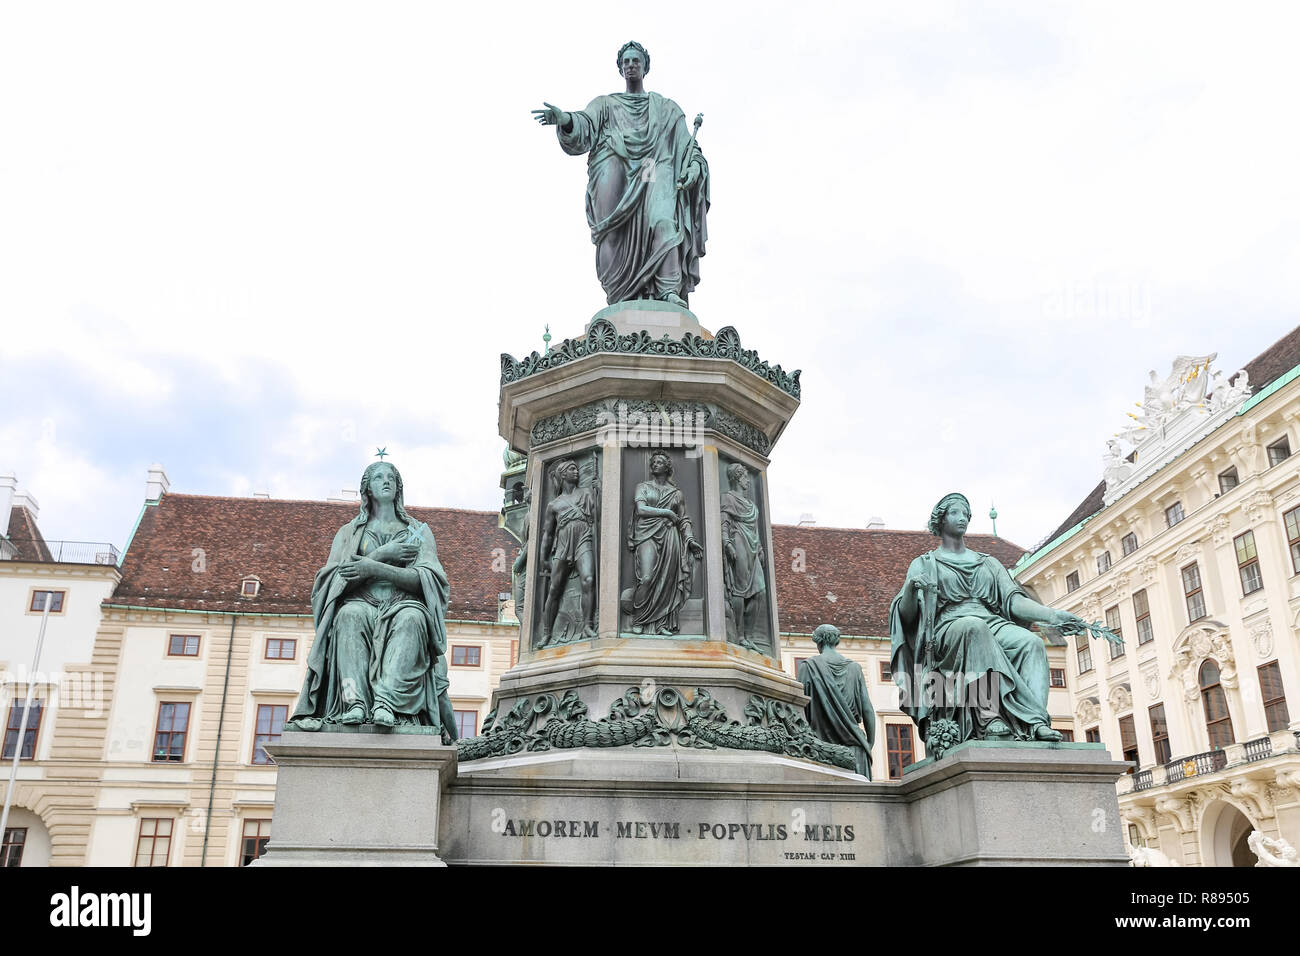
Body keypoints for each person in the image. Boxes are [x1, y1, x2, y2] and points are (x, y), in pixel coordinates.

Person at [889, 492, 1113, 751]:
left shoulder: (989, 564)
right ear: (941, 519)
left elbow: (1014, 602)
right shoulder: (925, 563)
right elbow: (907, 616)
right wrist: (909, 588)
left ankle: (1036, 722)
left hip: (991, 622)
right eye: (955, 512)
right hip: (949, 628)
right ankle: (989, 716)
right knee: (974, 627)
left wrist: (1051, 615)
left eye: (966, 513)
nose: (962, 518)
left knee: (1031, 643)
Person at [287, 460, 456, 738]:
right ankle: (355, 702)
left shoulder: (419, 531)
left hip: (404, 602)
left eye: (391, 477)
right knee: (347, 615)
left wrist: (375, 568)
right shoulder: (349, 532)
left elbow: (427, 580)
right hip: (360, 601)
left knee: (412, 619)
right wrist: (382, 554)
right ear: (367, 488)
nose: (386, 481)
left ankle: (386, 704)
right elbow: (334, 582)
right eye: (378, 477)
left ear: (399, 488)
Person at [532, 41, 709, 307]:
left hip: (652, 168)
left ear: (645, 66)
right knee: (611, 234)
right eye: (626, 62)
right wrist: (565, 119)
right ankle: (621, 296)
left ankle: (667, 289)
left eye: (635, 61)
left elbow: (687, 147)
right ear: (620, 67)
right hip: (618, 170)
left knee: (663, 220)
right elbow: (585, 124)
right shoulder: (606, 104)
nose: (630, 65)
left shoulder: (666, 109)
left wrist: (694, 166)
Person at [621, 451, 703, 634]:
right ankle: (639, 618)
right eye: (653, 462)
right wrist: (666, 513)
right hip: (646, 535)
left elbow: (684, 519)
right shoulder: (642, 487)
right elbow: (641, 509)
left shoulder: (676, 494)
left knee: (667, 581)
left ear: (668, 467)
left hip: (670, 537)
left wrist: (689, 540)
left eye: (660, 462)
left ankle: (661, 624)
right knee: (647, 577)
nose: (655, 464)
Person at [798, 624, 876, 779]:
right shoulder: (855, 668)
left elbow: (800, 708)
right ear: (837, 641)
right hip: (854, 747)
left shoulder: (808, 667)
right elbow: (867, 709)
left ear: (817, 642)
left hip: (819, 749)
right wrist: (869, 743)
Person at [537, 458, 599, 646]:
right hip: (563, 544)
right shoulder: (554, 505)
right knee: (555, 588)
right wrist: (543, 557)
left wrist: (600, 490)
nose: (577, 471)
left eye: (577, 468)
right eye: (572, 469)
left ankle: (588, 625)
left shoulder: (587, 493)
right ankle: (547, 632)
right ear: (563, 474)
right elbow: (547, 534)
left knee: (588, 580)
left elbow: (599, 516)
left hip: (583, 539)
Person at [721, 462, 767, 650]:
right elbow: (724, 523)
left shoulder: (750, 504)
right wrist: (726, 543)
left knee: (760, 591)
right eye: (745, 477)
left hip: (753, 546)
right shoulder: (727, 498)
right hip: (738, 541)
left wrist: (761, 548)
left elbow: (755, 529)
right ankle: (739, 635)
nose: (748, 480)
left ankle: (749, 635)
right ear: (738, 478)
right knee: (739, 589)